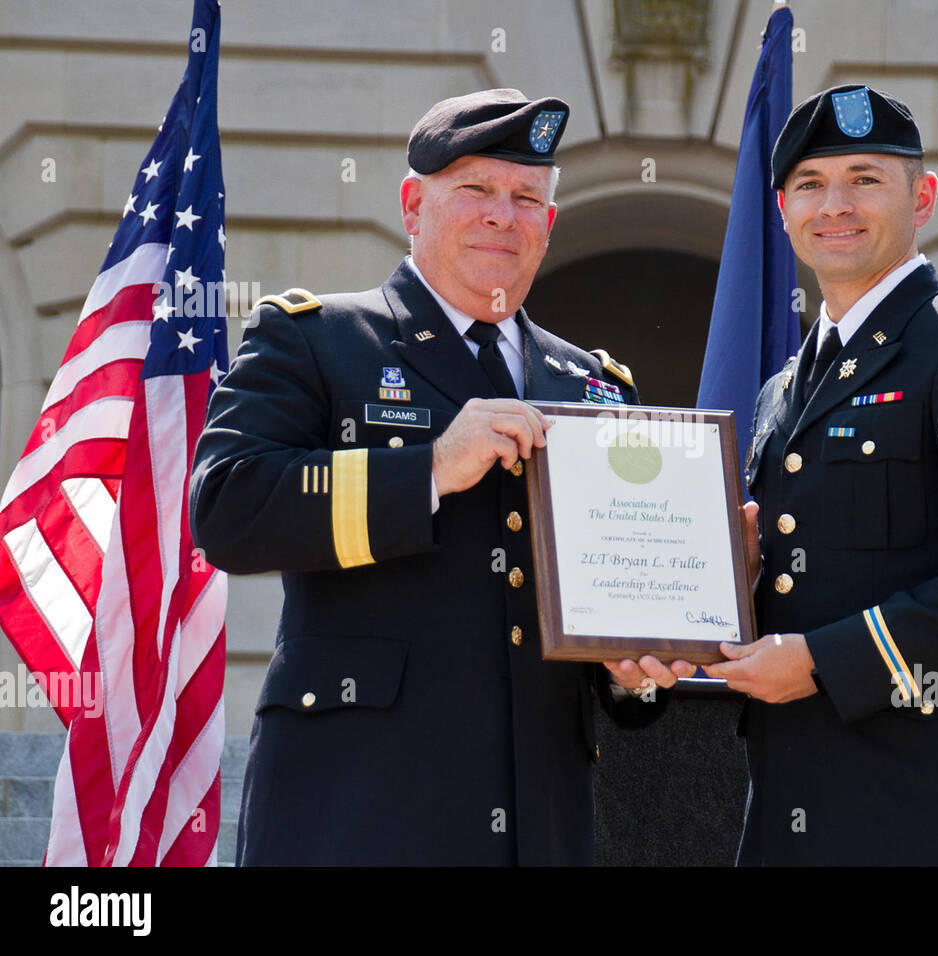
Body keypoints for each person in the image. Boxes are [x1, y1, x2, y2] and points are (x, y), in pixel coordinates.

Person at [190, 89, 692, 865]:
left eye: (527, 197)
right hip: (357, 816)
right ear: (412, 205)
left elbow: (616, 672)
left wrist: (634, 674)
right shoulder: (318, 343)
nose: (502, 214)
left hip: (539, 824)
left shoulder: (596, 388)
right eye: (476, 189)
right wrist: (425, 471)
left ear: (548, 226)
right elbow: (228, 506)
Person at [705, 84, 938, 865]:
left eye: (865, 178)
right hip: (790, 812)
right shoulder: (784, 389)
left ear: (923, 195)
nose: (834, 204)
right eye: (809, 184)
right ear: (781, 211)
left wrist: (822, 662)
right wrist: (733, 580)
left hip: (932, 815)